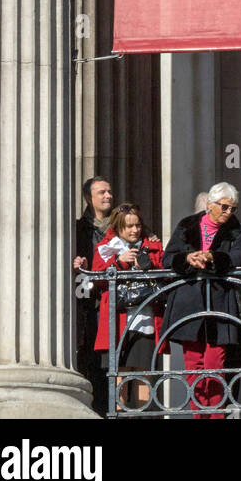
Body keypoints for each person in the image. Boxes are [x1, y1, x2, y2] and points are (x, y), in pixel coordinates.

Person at [161, 181, 241, 418]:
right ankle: (198, 415)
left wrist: (214, 257)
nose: (228, 212)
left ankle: (216, 415)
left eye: (233, 208)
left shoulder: (235, 229)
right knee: (193, 365)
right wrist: (189, 258)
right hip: (189, 302)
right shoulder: (187, 225)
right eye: (224, 207)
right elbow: (168, 258)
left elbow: (240, 256)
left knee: (215, 363)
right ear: (210, 204)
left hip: (219, 302)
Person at [92, 203, 164, 410]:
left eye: (138, 225)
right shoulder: (107, 247)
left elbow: (164, 270)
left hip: (146, 320)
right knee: (119, 377)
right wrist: (119, 261)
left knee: (143, 375)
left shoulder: (152, 246)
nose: (135, 230)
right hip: (118, 322)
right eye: (129, 226)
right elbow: (98, 277)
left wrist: (149, 262)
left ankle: (143, 415)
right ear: (118, 227)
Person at [73, 176, 114, 416]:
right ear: (89, 198)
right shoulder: (79, 228)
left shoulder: (119, 225)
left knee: (113, 361)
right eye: (102, 192)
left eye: (109, 192)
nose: (108, 196)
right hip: (88, 301)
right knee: (91, 358)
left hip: (113, 301)